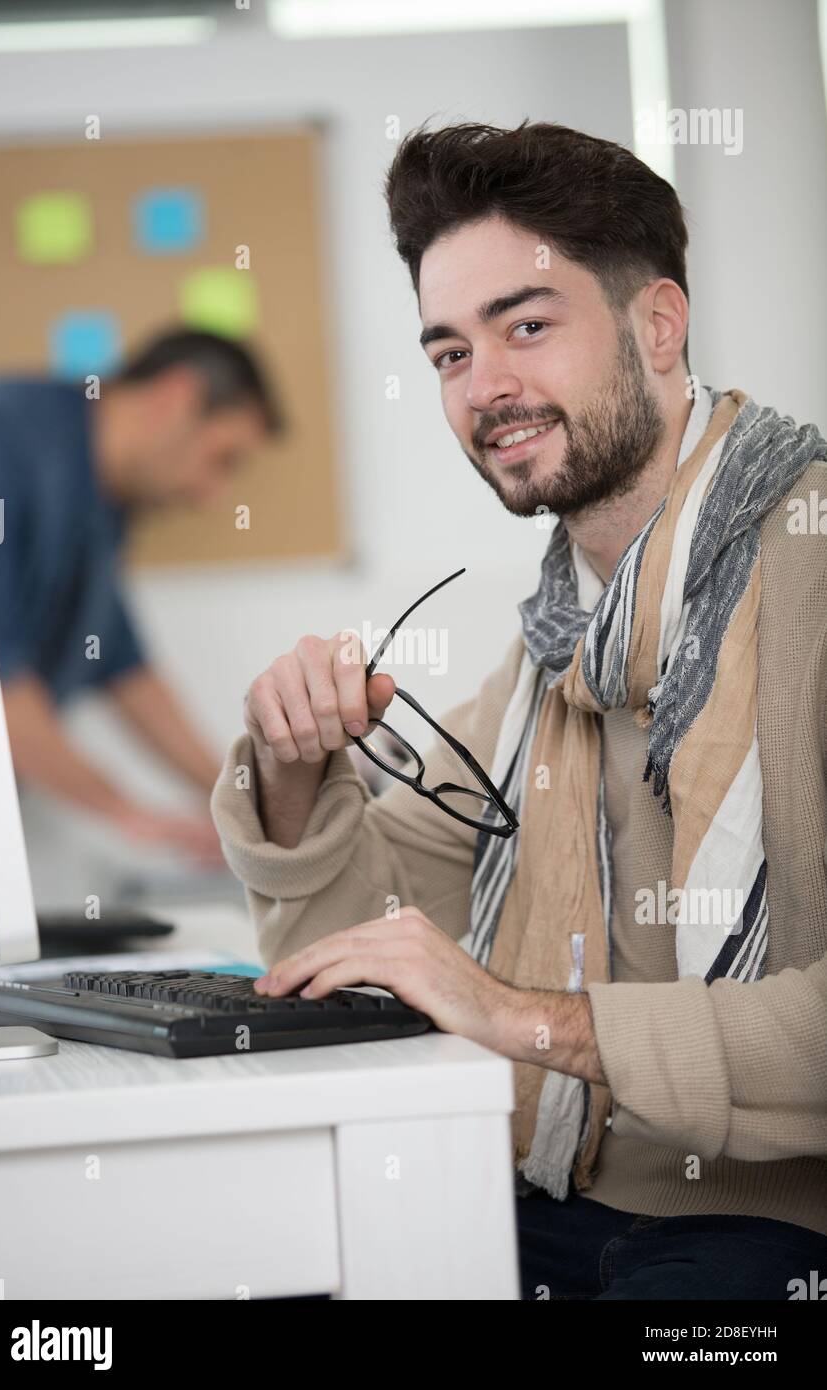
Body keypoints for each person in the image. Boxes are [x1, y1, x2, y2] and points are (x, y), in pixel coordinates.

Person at [210, 122, 827, 1300]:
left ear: (656, 326)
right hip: (555, 1200)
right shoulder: (555, 643)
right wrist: (293, 772)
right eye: (448, 352)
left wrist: (527, 1019)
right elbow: (379, 955)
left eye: (525, 326)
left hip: (771, 1227)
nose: (484, 387)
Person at [0, 327, 282, 864]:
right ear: (174, 398)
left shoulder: (100, 502)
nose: (210, 495)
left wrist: (239, 800)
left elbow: (126, 670)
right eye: (221, 458)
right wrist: (129, 816)